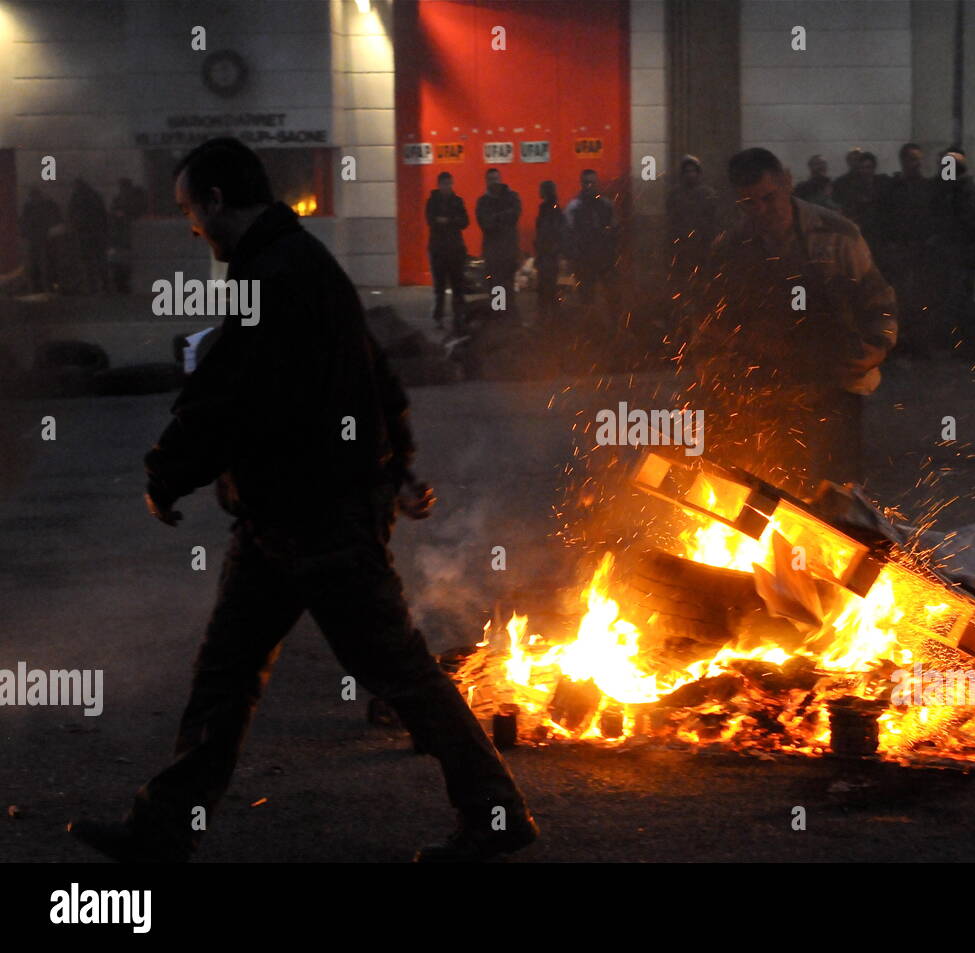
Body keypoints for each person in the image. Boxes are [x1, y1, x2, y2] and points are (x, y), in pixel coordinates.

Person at [66, 137, 537, 864]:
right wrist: (402, 466)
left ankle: (497, 814)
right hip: (279, 517)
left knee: (396, 668)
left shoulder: (278, 272)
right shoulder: (300, 262)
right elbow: (372, 364)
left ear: (218, 200)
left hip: (321, 517)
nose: (193, 227)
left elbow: (227, 392)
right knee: (224, 676)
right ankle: (164, 829)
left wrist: (167, 471)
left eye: (193, 210)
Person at [684, 147, 897, 494]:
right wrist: (715, 378)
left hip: (835, 385)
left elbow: (877, 299)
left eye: (769, 198)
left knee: (838, 496)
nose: (762, 211)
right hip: (765, 390)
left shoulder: (837, 234)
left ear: (786, 181)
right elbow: (710, 321)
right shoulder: (730, 249)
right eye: (750, 204)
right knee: (774, 491)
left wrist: (878, 347)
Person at [876, 142, 938, 356]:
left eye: (918, 159)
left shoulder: (925, 187)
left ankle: (919, 339)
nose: (917, 163)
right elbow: (885, 218)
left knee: (922, 295)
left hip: (920, 249)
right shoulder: (894, 188)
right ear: (904, 161)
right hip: (901, 248)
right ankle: (901, 338)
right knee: (901, 295)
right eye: (913, 159)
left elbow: (931, 215)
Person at [929, 147, 975, 357]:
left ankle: (973, 344)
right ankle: (964, 343)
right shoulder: (954, 189)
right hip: (956, 251)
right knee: (956, 297)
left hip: (961, 253)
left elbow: (967, 224)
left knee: (960, 298)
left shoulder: (965, 191)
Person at [563, 169, 620, 327]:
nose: (589, 186)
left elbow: (615, 228)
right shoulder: (574, 207)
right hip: (584, 259)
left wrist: (612, 252)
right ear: (582, 184)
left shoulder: (606, 204)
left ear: (597, 183)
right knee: (587, 297)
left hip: (604, 259)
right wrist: (572, 257)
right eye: (586, 183)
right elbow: (567, 232)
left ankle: (612, 328)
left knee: (611, 295)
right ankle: (590, 330)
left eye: (592, 183)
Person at [665, 155, 720, 294]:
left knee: (702, 277)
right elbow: (671, 219)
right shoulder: (675, 194)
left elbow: (714, 219)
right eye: (687, 171)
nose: (690, 174)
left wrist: (711, 239)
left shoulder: (708, 193)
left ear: (698, 173)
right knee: (681, 279)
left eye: (693, 171)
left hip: (702, 244)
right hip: (681, 244)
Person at [425, 171, 469, 331]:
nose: (448, 187)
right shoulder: (432, 202)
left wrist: (446, 220)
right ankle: (439, 318)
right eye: (445, 184)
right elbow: (431, 221)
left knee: (457, 285)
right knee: (440, 287)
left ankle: (459, 316)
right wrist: (453, 221)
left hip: (455, 249)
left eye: (450, 184)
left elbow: (465, 221)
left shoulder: (457, 201)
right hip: (438, 250)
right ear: (439, 185)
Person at [475, 168, 522, 316]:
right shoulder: (483, 201)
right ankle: (499, 314)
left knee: (508, 283)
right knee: (496, 285)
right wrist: (503, 217)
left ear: (500, 179)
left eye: (496, 178)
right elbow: (485, 224)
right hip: (493, 251)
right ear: (486, 181)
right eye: (491, 179)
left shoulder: (512, 197)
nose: (494, 182)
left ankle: (509, 314)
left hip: (508, 250)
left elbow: (515, 215)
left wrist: (495, 218)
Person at [67, 177, 111, 294]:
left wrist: (74, 227)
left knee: (87, 262)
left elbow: (71, 214)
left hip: (84, 233)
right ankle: (105, 286)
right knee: (100, 260)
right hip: (96, 233)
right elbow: (102, 215)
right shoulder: (95, 196)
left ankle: (92, 287)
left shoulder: (76, 197)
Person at [832, 150, 884, 248]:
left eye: (868, 167)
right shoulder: (847, 186)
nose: (865, 171)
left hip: (877, 234)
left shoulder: (881, 184)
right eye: (863, 167)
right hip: (859, 233)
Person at [18, 187, 63, 293]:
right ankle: (45, 287)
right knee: (44, 265)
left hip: (35, 240)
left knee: (36, 265)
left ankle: (36, 288)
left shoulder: (28, 208)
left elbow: (24, 224)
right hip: (44, 240)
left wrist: (25, 234)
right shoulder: (47, 206)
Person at [108, 177, 148, 294]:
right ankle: (123, 284)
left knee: (120, 259)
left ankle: (121, 284)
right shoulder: (134, 198)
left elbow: (114, 212)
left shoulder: (121, 199)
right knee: (124, 259)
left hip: (121, 234)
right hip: (125, 234)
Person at [534, 179, 565, 323]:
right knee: (550, 286)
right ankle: (554, 317)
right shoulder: (555, 208)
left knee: (545, 287)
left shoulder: (547, 208)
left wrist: (542, 248)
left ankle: (547, 318)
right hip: (550, 253)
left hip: (547, 254)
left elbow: (546, 232)